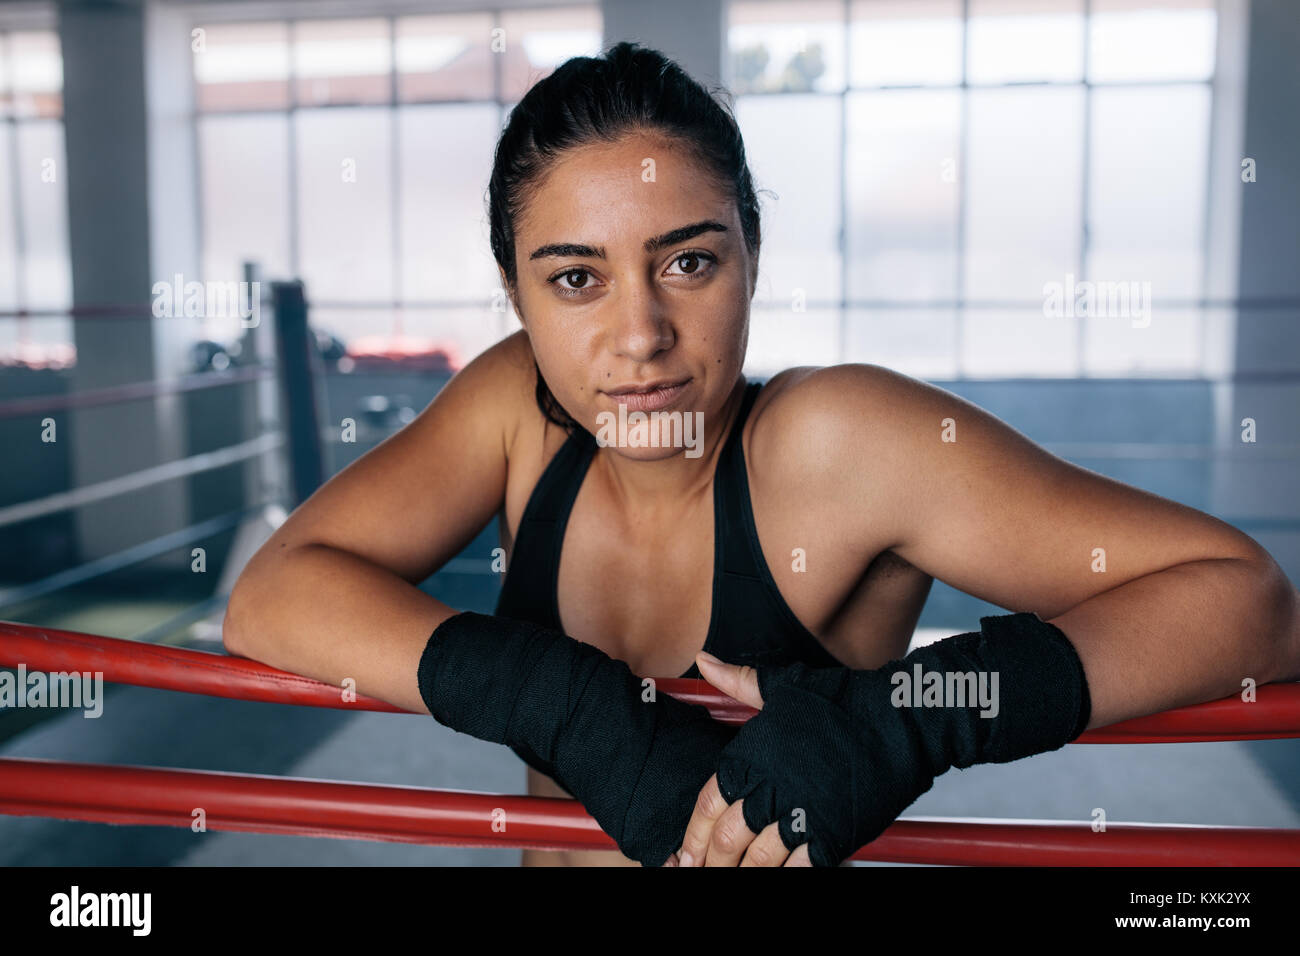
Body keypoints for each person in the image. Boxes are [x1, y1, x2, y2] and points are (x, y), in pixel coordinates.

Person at [222, 42, 1300, 868]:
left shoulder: (842, 441)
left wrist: (900, 725)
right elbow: (271, 596)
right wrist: (572, 703)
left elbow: (1252, 600)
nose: (639, 335)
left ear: (752, 254)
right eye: (575, 278)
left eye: (687, 259)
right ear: (514, 295)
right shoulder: (514, 404)